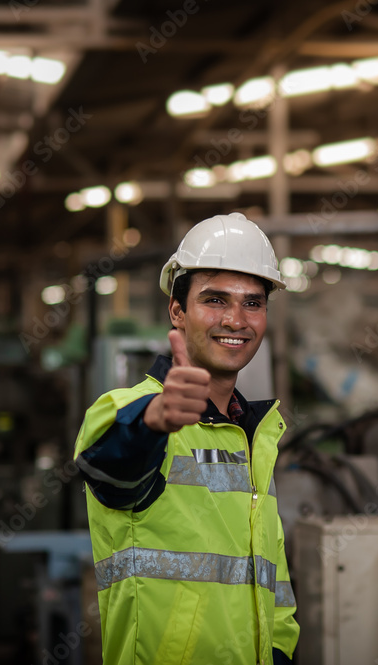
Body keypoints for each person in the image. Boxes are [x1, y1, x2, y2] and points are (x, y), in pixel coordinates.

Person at [74, 213, 299, 664]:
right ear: (177, 311)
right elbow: (112, 466)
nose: (236, 320)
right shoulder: (126, 410)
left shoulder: (256, 438)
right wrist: (155, 420)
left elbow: (272, 589)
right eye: (215, 300)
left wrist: (278, 652)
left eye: (253, 303)